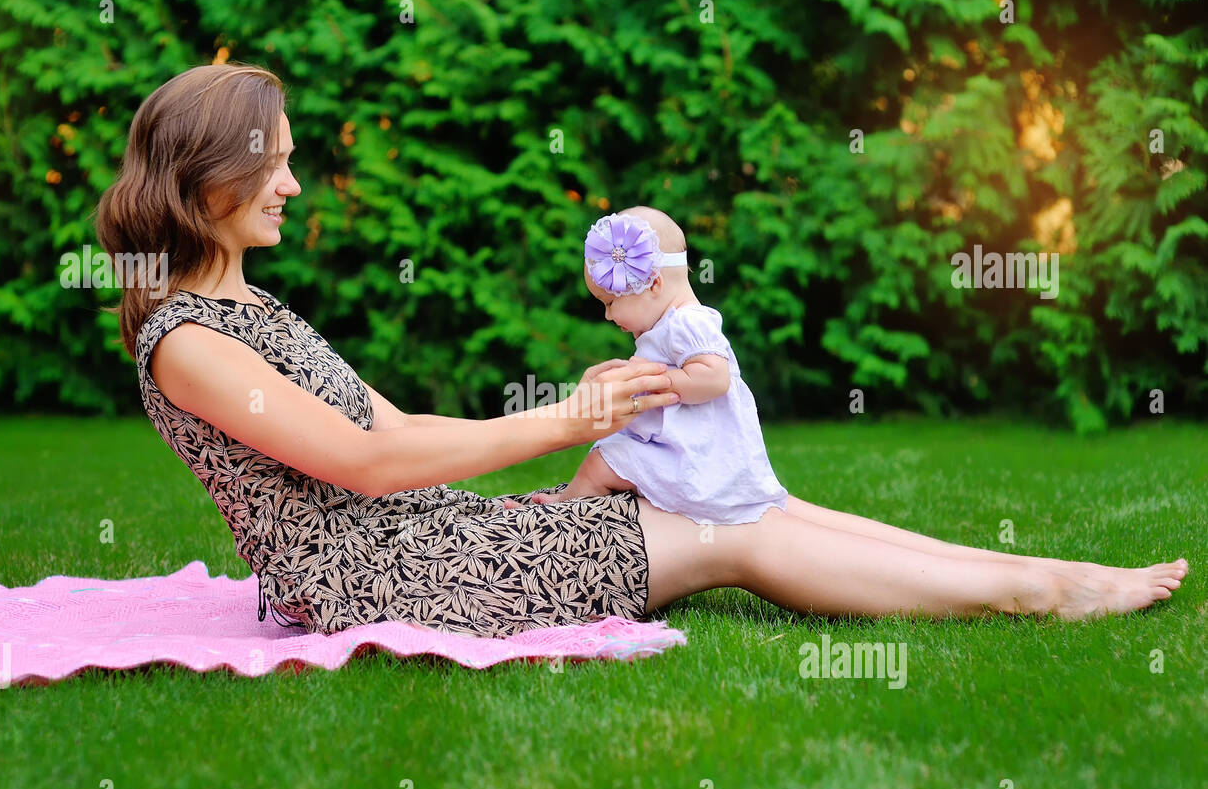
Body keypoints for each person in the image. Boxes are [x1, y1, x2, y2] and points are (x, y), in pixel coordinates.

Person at [98, 63, 1187, 637]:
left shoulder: (260, 309)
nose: (292, 185)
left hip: (421, 538)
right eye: (274, 166)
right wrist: (572, 423)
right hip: (378, 577)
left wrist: (576, 414)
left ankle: (1037, 579)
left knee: (753, 505)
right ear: (206, 180)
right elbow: (367, 467)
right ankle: (1037, 594)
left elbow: (396, 430)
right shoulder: (190, 341)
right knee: (724, 536)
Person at [523, 207, 789, 526]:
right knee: (608, 452)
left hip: (696, 460)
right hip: (683, 449)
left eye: (610, 303)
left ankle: (565, 510)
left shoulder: (687, 323)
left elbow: (716, 378)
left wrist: (653, 380)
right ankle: (583, 506)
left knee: (603, 460)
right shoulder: (667, 325)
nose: (607, 316)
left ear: (654, 284)